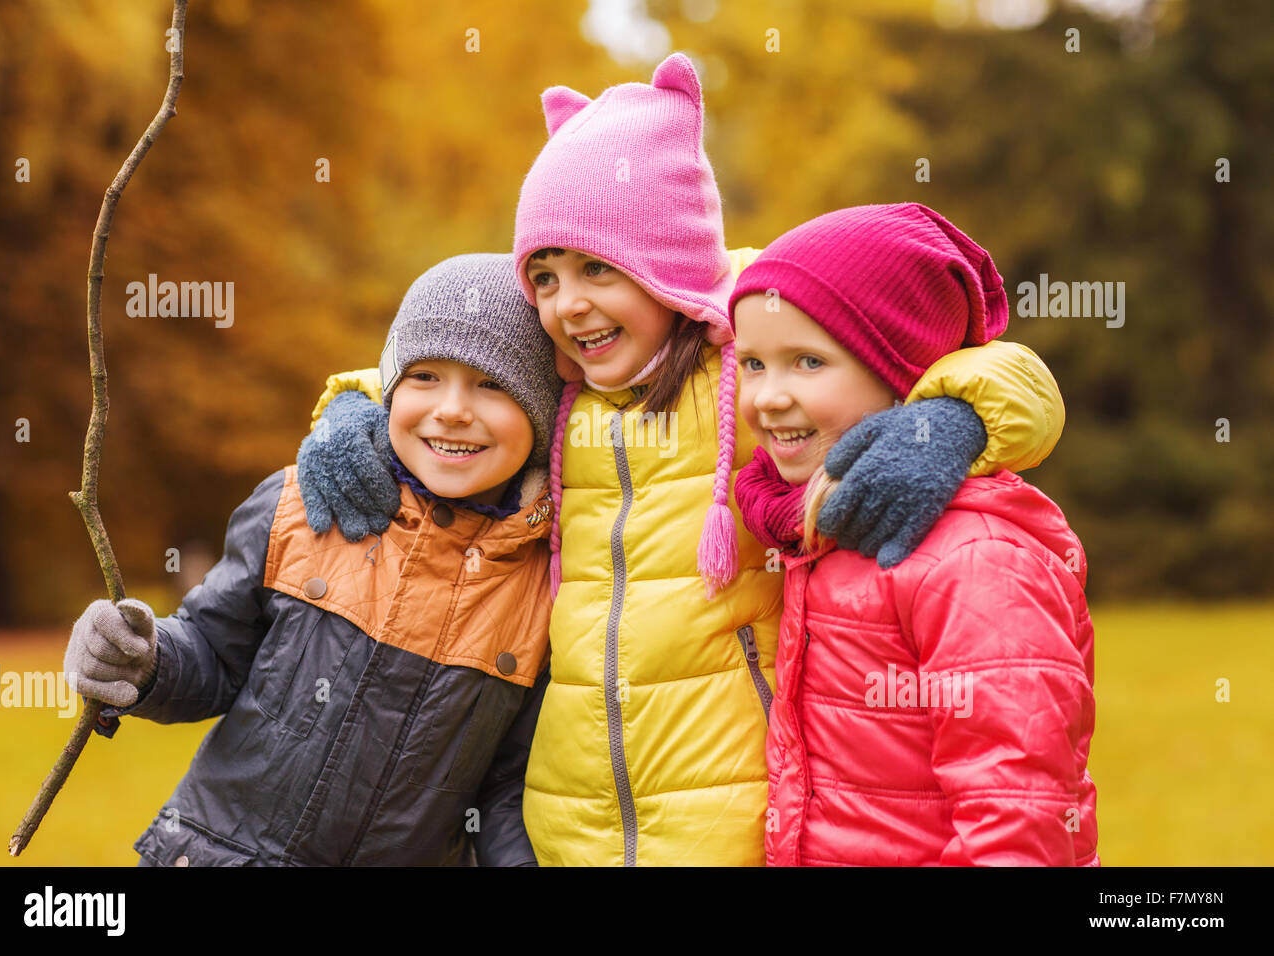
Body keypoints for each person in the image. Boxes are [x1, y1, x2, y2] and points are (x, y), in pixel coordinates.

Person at [297, 54, 1066, 865]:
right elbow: (437, 365)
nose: (569, 303)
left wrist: (945, 421)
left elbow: (1009, 373)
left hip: (730, 815)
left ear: (668, 258)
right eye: (547, 277)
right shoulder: (562, 378)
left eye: (598, 268)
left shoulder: (752, 345)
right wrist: (353, 409)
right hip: (571, 824)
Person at [62, 254, 562, 866]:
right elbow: (214, 654)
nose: (453, 408)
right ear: (389, 386)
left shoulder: (544, 586)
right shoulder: (300, 505)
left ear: (539, 414)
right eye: (426, 376)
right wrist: (144, 661)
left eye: (493, 384)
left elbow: (506, 789)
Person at [731, 203, 1098, 865]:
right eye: (753, 364)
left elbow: (1019, 811)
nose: (766, 396)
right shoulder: (819, 530)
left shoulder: (976, 559)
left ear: (904, 371)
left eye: (808, 362)